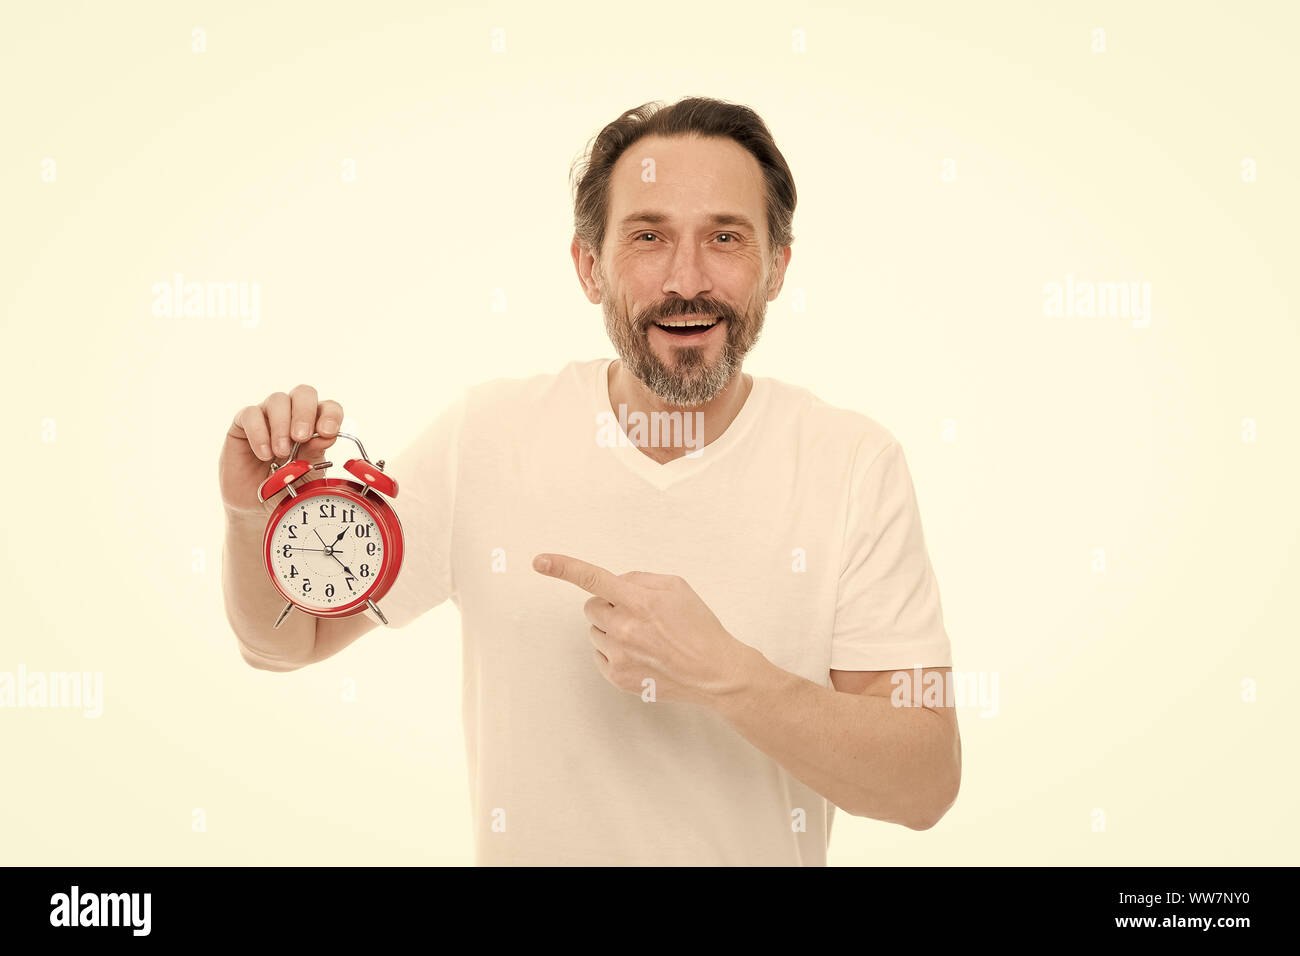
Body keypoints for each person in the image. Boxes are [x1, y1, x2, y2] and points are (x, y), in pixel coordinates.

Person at [219, 96, 960, 865]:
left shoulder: (853, 464)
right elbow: (285, 641)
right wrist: (250, 520)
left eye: (726, 238)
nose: (687, 278)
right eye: (648, 236)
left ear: (776, 267)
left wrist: (726, 675)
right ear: (588, 267)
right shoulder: (485, 436)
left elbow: (925, 781)